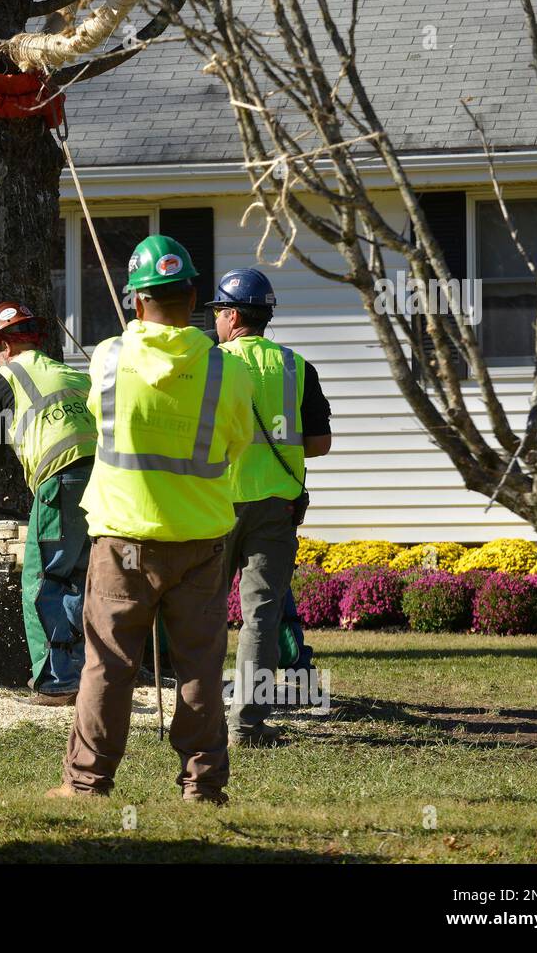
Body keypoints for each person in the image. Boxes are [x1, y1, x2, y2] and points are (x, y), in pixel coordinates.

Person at [48, 235, 253, 804]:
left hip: (123, 541)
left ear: (136, 301)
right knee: (201, 667)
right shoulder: (227, 371)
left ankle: (87, 784)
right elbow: (233, 446)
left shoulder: (109, 357)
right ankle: (203, 786)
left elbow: (99, 419)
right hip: (202, 541)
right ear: (193, 297)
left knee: (108, 666)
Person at [212, 269, 332, 745]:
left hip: (215, 505)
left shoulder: (209, 364)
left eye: (219, 312)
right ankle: (246, 726)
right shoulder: (295, 366)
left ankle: (198, 720)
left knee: (203, 613)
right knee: (260, 616)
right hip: (277, 507)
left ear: (234, 315)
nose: (216, 321)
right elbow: (320, 443)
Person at [0, 301, 97, 704]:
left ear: (5, 343)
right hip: (105, 483)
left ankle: (56, 683)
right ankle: (79, 674)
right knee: (75, 579)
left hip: (60, 481)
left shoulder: (1, 378)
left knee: (41, 579)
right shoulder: (71, 373)